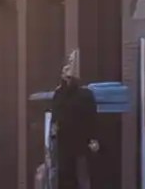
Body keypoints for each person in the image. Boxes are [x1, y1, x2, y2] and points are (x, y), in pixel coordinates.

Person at [51, 51, 98, 189]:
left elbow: (92, 118)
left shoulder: (85, 94)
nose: (68, 74)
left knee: (82, 178)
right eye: (65, 69)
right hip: (64, 146)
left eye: (70, 69)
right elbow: (55, 116)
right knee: (66, 178)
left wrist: (93, 139)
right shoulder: (59, 94)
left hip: (81, 146)